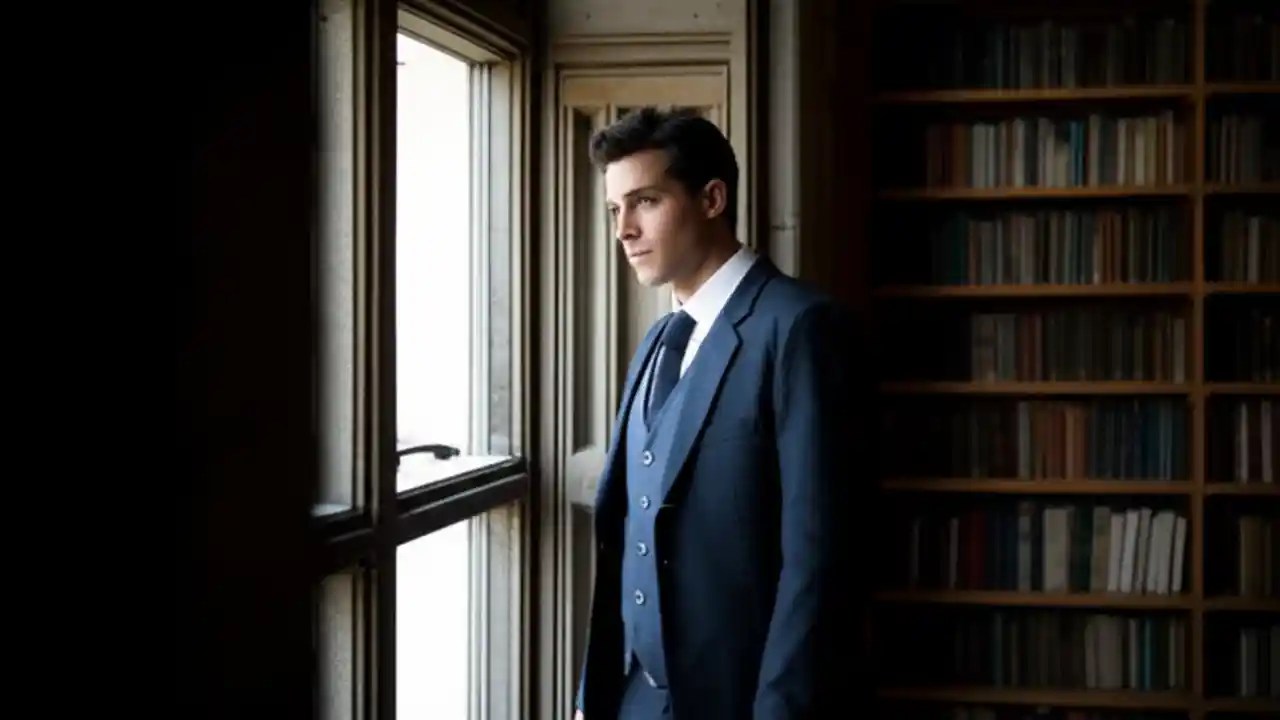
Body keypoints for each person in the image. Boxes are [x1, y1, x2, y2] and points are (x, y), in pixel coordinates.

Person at [573, 106, 862, 720]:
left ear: (711, 199)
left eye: (645, 202)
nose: (624, 229)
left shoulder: (800, 327)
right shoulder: (658, 341)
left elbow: (816, 560)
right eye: (614, 209)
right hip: (633, 698)